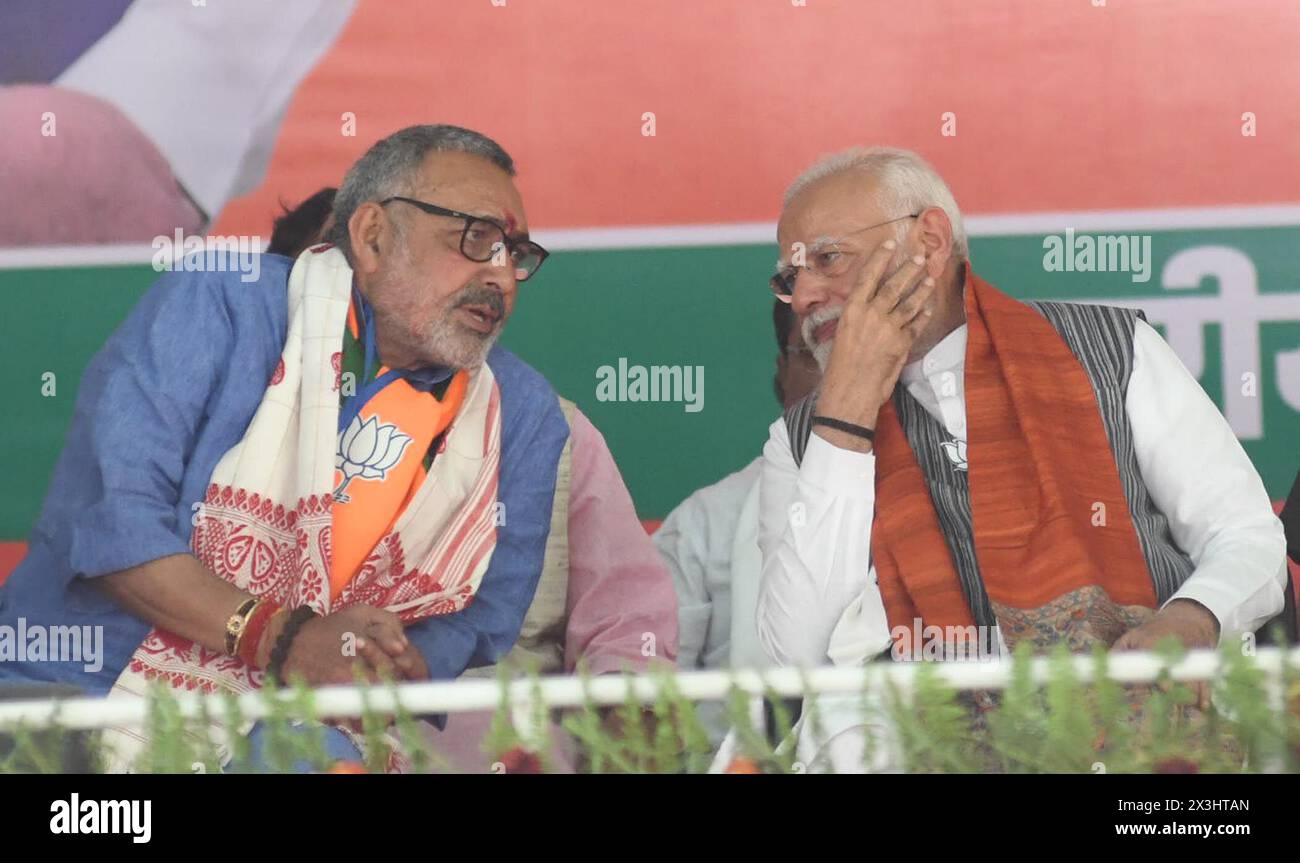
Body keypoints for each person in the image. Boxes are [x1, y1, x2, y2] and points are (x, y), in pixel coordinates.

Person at [0, 125, 583, 769]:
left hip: (303, 731)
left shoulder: (522, 415)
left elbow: (479, 618)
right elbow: (113, 524)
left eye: (516, 253)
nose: (503, 275)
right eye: (476, 239)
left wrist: (393, 664)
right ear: (372, 237)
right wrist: (280, 638)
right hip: (89, 691)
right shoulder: (220, 305)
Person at [757, 146, 1288, 769]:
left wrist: (1195, 620)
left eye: (827, 259)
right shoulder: (799, 443)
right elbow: (794, 655)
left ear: (929, 241)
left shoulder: (1111, 351)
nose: (804, 296)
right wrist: (844, 414)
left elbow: (1246, 535)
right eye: (793, 276)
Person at [262, 187, 681, 771]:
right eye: (339, 282)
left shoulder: (549, 432)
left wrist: (632, 743)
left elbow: (628, 634)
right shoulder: (231, 439)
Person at [653, 300, 819, 744]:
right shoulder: (703, 524)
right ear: (782, 372)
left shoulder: (955, 510)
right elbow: (648, 715)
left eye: (856, 352)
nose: (841, 375)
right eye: (814, 351)